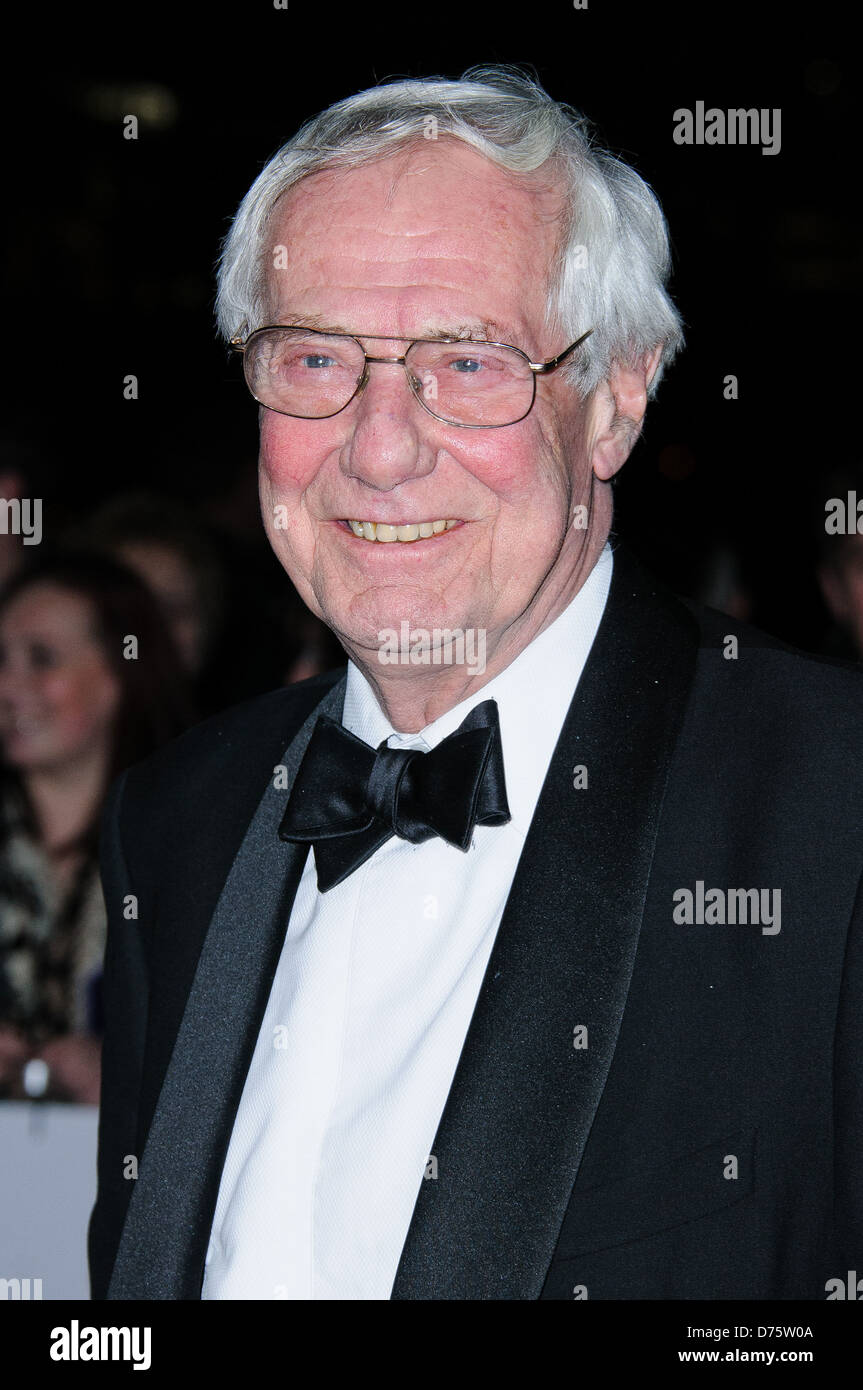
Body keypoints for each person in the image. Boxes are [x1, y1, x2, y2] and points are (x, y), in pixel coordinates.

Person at [90, 67, 863, 1301]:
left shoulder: (829, 815)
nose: (380, 445)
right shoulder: (175, 821)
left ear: (614, 398)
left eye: (466, 363)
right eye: (313, 359)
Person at [0, 552, 193, 1104]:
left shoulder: (183, 845)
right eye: (1, 659)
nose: (9, 687)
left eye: (41, 659)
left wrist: (130, 1072)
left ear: (119, 674)